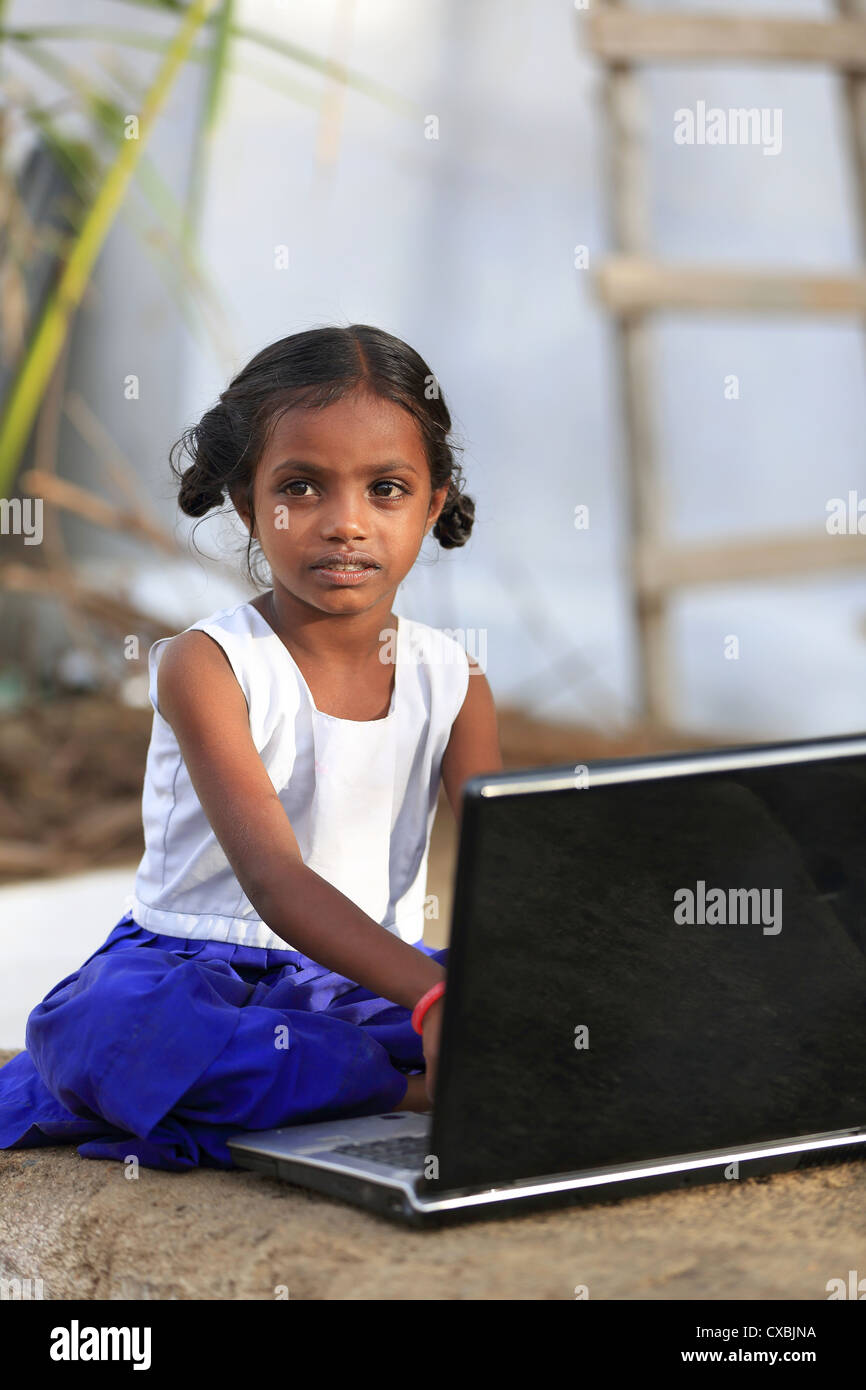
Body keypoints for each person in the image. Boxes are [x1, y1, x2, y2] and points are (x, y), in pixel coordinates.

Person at [0, 324, 502, 1171]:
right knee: (111, 1038)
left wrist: (496, 991)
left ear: (434, 503)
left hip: (362, 980)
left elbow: (513, 868)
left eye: (385, 488)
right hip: (191, 977)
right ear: (247, 505)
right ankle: (407, 1091)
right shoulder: (210, 665)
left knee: (567, 1010)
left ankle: (351, 1073)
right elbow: (274, 882)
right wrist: (439, 1003)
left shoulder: (453, 679)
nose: (346, 524)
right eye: (302, 487)